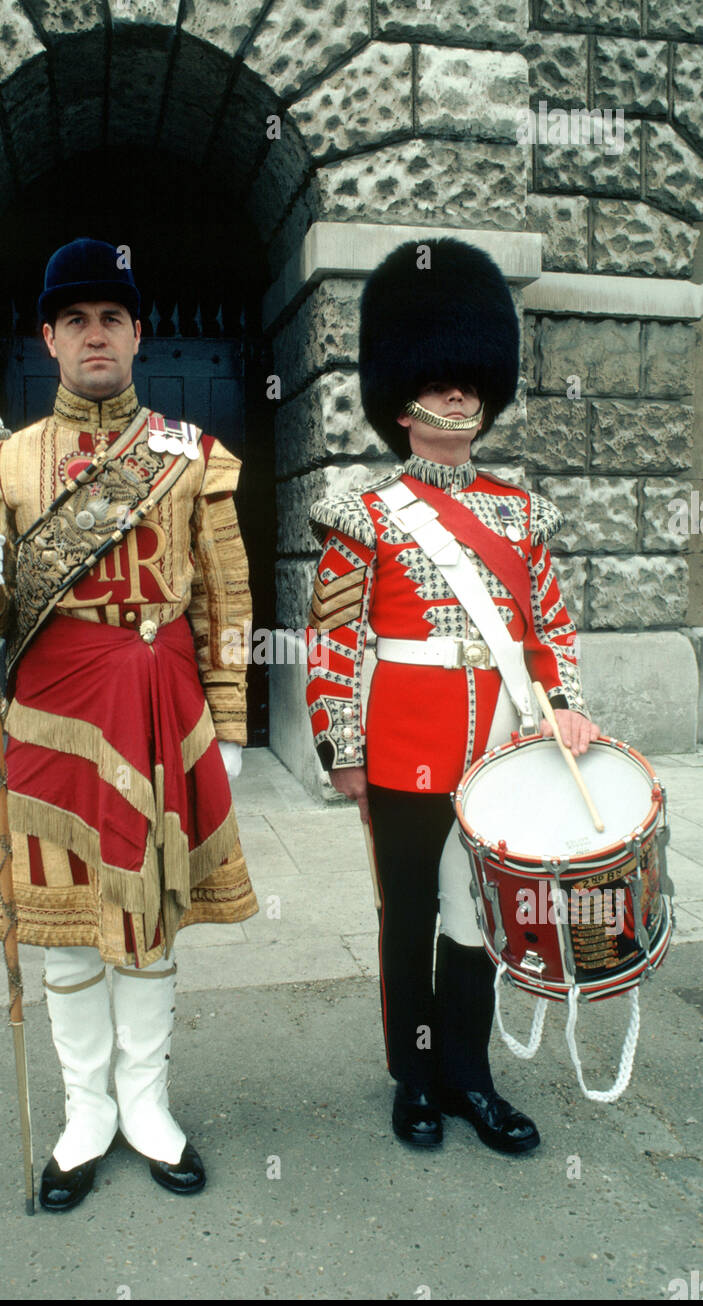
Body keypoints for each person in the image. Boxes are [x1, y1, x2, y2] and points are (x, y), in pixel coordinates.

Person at [0, 238, 257, 1209]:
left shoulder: (188, 452)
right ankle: (87, 1113)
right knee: (72, 927)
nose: (93, 334)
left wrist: (233, 719)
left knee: (152, 916)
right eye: (74, 318)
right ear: (47, 337)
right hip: (50, 715)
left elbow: (228, 595)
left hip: (160, 708)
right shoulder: (7, 459)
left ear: (136, 333)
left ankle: (149, 1104)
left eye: (110, 317)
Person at [305, 238, 600, 1154]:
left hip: (500, 750)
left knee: (479, 920)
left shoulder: (521, 512)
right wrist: (342, 748)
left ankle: (470, 1076)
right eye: (442, 381)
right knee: (411, 919)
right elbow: (334, 642)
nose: (462, 394)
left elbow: (548, 628)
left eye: (472, 381)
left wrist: (563, 706)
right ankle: (414, 1077)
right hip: (402, 747)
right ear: (403, 398)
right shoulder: (364, 513)